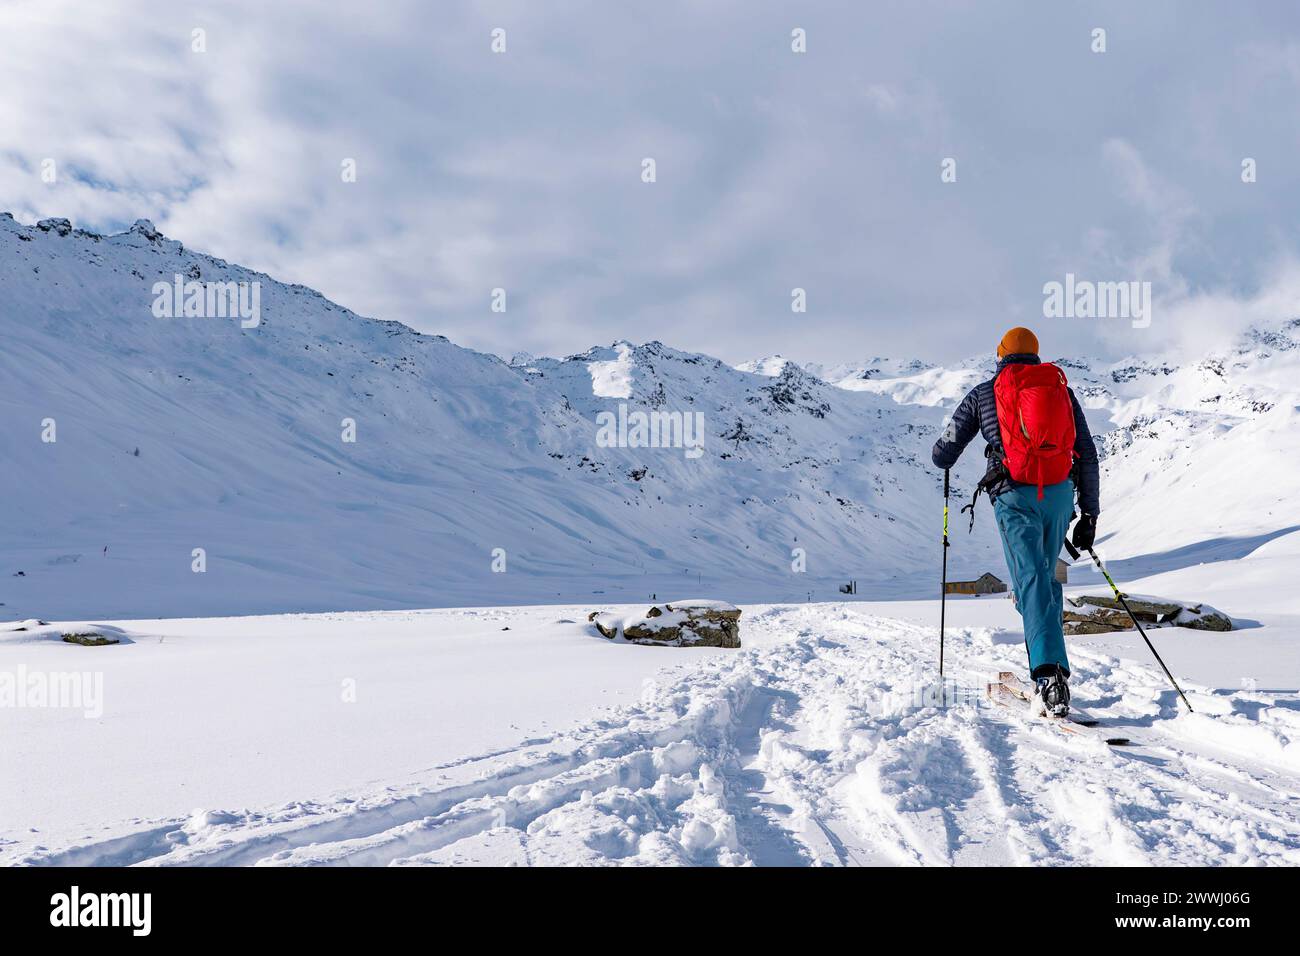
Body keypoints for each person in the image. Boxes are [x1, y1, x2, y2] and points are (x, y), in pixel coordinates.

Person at [931, 327, 1099, 716]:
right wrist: (1089, 514)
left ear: (1000, 355)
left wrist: (944, 454)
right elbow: (1086, 453)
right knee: (1042, 578)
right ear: (1035, 355)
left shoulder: (984, 393)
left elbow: (944, 451)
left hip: (1013, 495)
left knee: (1031, 580)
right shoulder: (1060, 392)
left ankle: (1048, 676)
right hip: (1058, 495)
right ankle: (1049, 662)